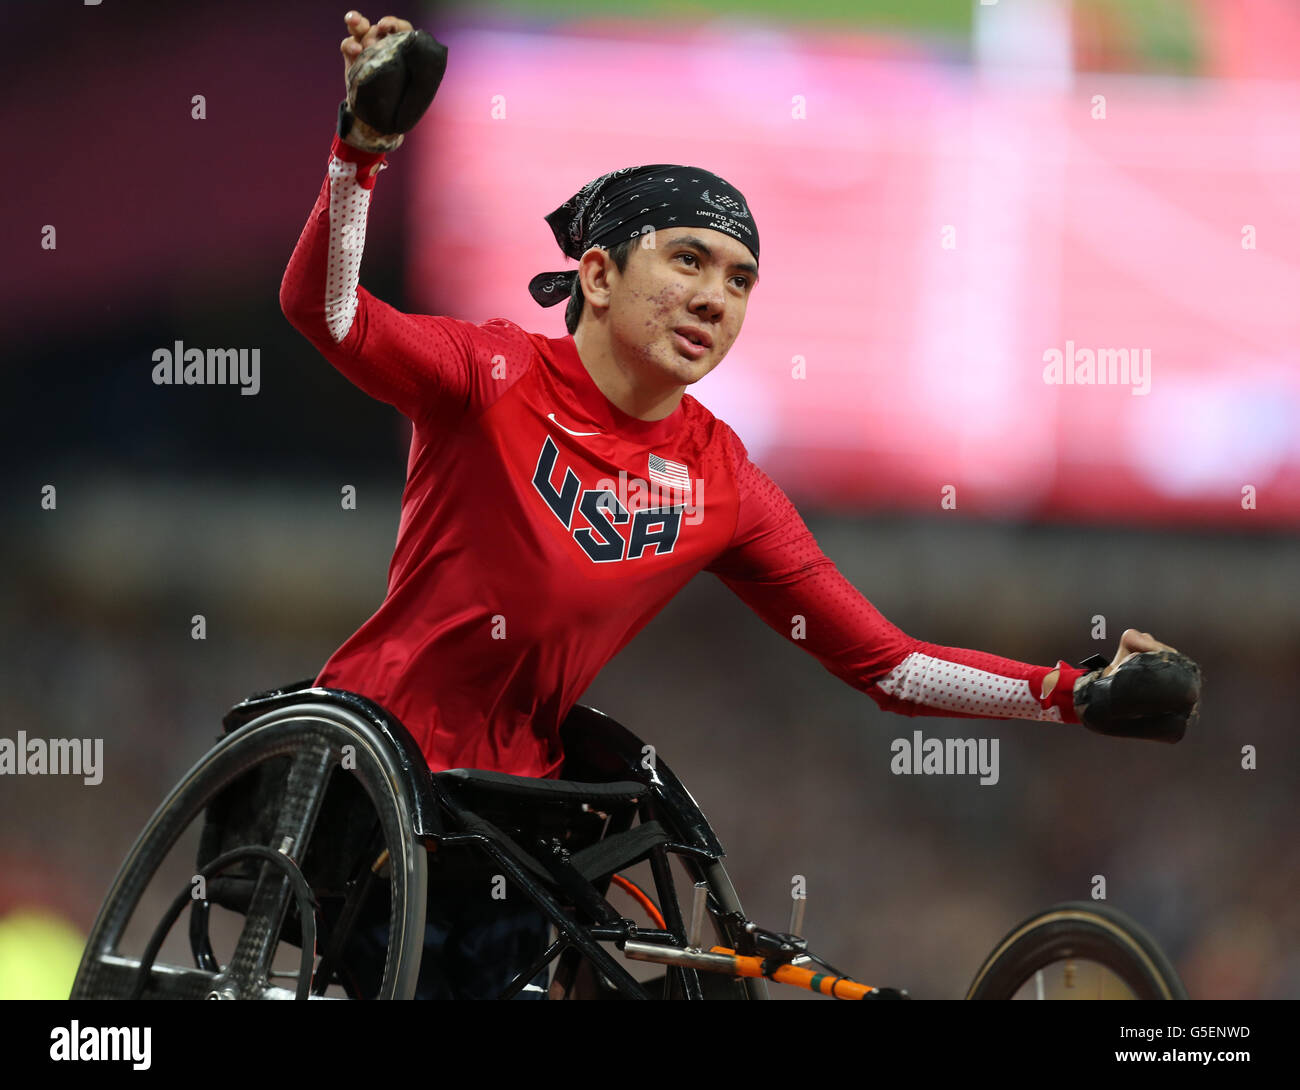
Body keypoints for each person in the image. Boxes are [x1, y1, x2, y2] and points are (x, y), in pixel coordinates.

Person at [278, 11, 1187, 999]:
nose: (717, 296)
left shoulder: (722, 479)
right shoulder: (489, 373)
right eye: (688, 260)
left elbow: (888, 664)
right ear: (596, 272)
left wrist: (1072, 691)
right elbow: (326, 313)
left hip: (519, 805)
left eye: (741, 278)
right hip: (373, 766)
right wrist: (358, 152)